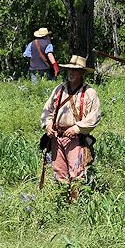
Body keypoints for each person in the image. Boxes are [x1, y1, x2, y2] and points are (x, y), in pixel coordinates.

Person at [41, 55, 101, 201]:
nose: (71, 73)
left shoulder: (89, 92)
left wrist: (77, 128)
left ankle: (75, 204)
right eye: (69, 70)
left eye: (75, 70)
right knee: (59, 172)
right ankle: (62, 203)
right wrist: (48, 125)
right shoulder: (59, 89)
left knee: (76, 173)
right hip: (56, 137)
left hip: (75, 138)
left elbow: (94, 116)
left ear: (82, 73)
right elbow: (47, 110)